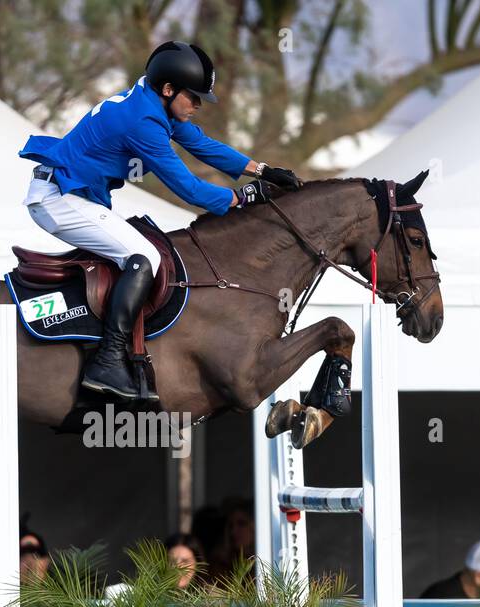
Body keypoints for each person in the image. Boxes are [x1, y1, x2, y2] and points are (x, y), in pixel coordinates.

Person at [19, 40, 302, 399]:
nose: (198, 105)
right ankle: (106, 361)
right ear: (169, 89)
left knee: (140, 249)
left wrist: (261, 170)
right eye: (194, 97)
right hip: (58, 199)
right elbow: (188, 188)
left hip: (72, 194)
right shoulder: (143, 122)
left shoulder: (152, 100)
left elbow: (202, 145)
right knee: (145, 258)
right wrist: (240, 197)